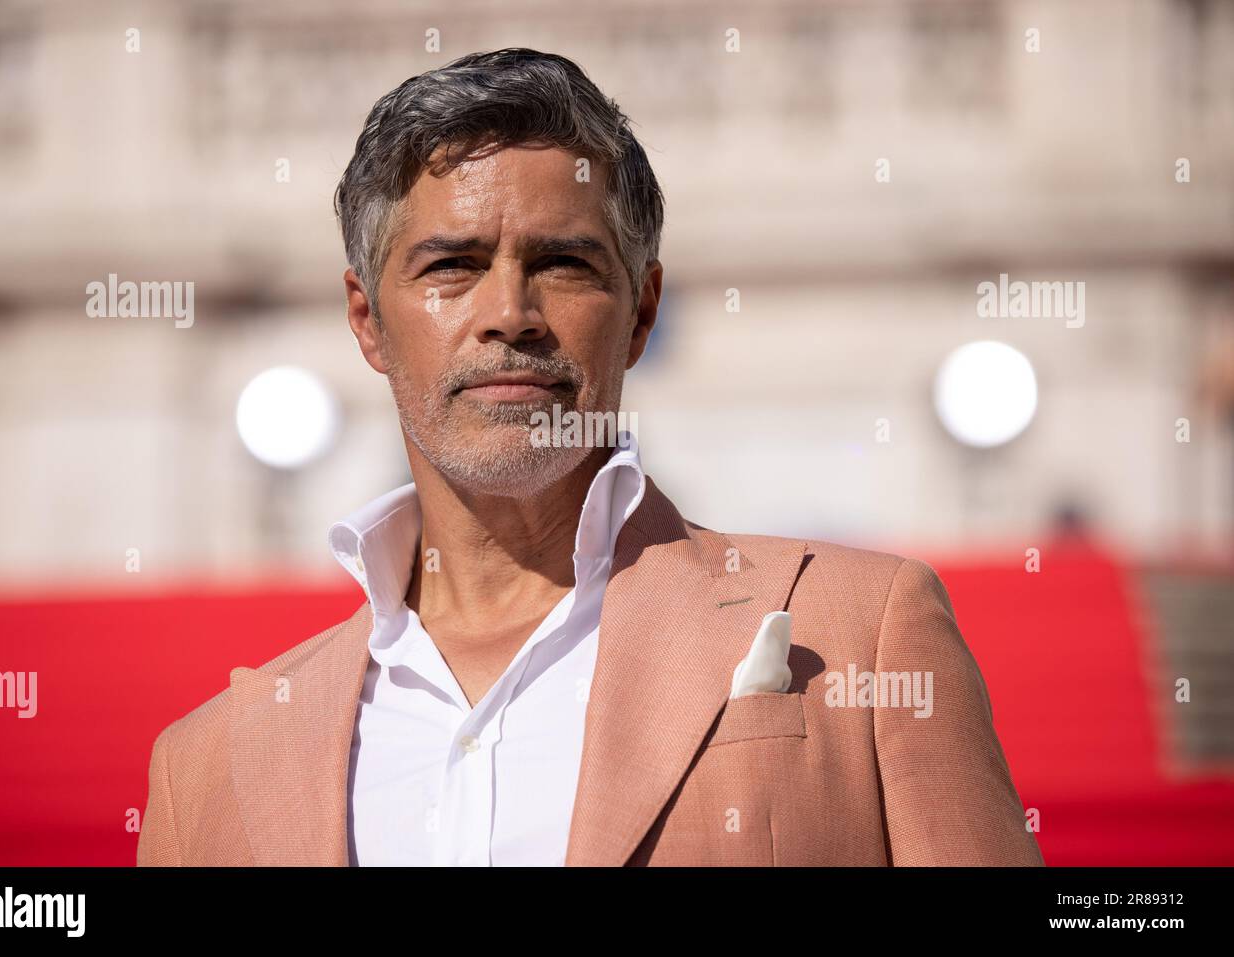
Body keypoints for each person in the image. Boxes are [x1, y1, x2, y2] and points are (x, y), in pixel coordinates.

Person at [136, 48, 1042, 867]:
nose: (509, 312)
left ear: (642, 310)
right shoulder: (207, 766)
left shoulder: (862, 632)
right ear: (367, 320)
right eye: (451, 264)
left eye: (564, 261)